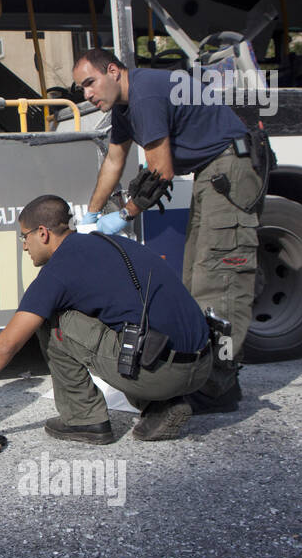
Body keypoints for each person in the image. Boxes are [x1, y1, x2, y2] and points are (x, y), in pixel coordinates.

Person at [0, 195, 212, 447]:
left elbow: (7, 345)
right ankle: (162, 405)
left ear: (42, 233)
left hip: (159, 373)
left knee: (53, 321)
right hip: (203, 367)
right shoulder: (110, 242)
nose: (24, 247)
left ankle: (84, 419)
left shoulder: (57, 273)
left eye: (23, 237)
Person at [72, 48, 258, 412]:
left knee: (220, 277)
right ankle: (206, 377)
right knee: (195, 274)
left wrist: (123, 215)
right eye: (81, 89)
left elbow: (160, 172)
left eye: (90, 83)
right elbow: (114, 161)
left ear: (113, 71)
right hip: (213, 171)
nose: (87, 95)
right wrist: (90, 217)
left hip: (232, 167)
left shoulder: (145, 95)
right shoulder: (125, 107)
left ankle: (219, 387)